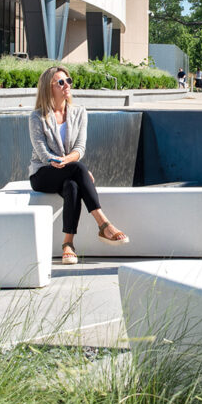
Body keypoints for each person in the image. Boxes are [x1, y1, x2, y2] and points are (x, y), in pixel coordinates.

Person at [29, 65, 129, 264]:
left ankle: (68, 244)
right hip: (43, 174)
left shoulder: (80, 113)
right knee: (79, 169)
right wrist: (71, 166)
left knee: (73, 185)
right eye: (61, 82)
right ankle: (103, 224)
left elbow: (80, 148)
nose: (67, 85)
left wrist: (70, 166)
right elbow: (43, 154)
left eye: (68, 81)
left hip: (67, 170)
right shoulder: (37, 117)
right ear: (49, 88)